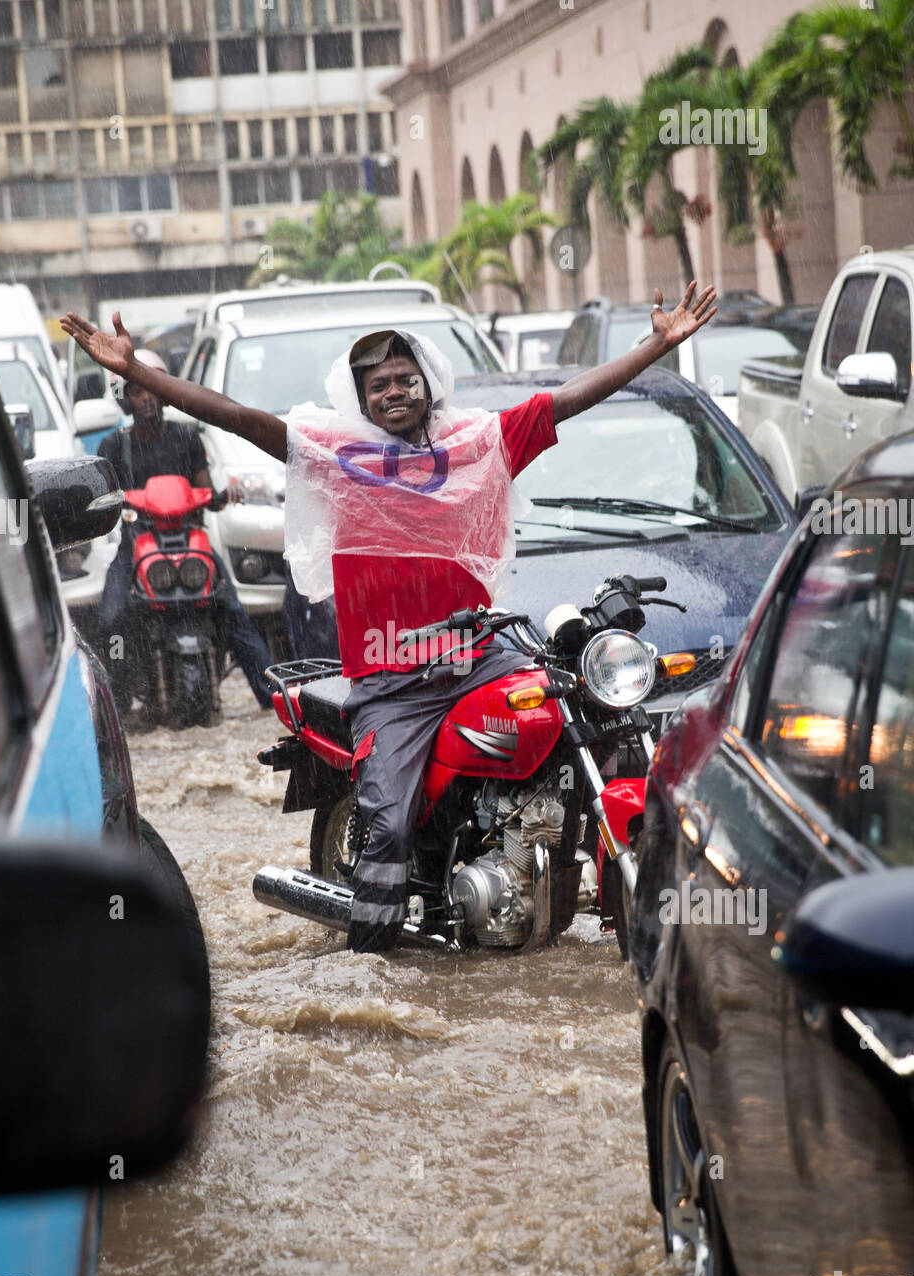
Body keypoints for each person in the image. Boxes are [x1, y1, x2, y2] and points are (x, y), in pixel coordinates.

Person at [62, 282, 717, 950]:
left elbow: (570, 399)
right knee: (389, 833)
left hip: (476, 656)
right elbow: (235, 416)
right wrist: (138, 373)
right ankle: (372, 957)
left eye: (406, 379)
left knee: (573, 712)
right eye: (379, 386)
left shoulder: (478, 443)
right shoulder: (335, 456)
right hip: (391, 678)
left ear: (430, 383)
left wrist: (656, 346)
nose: (395, 392)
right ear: (362, 398)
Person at [95, 347, 274, 712]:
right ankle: (118, 705)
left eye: (151, 389)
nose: (146, 398)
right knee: (112, 616)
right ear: (125, 399)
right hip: (138, 541)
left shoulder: (186, 436)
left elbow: (205, 487)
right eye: (137, 391)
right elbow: (104, 498)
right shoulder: (114, 445)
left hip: (190, 538)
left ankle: (272, 698)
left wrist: (222, 495)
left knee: (235, 611)